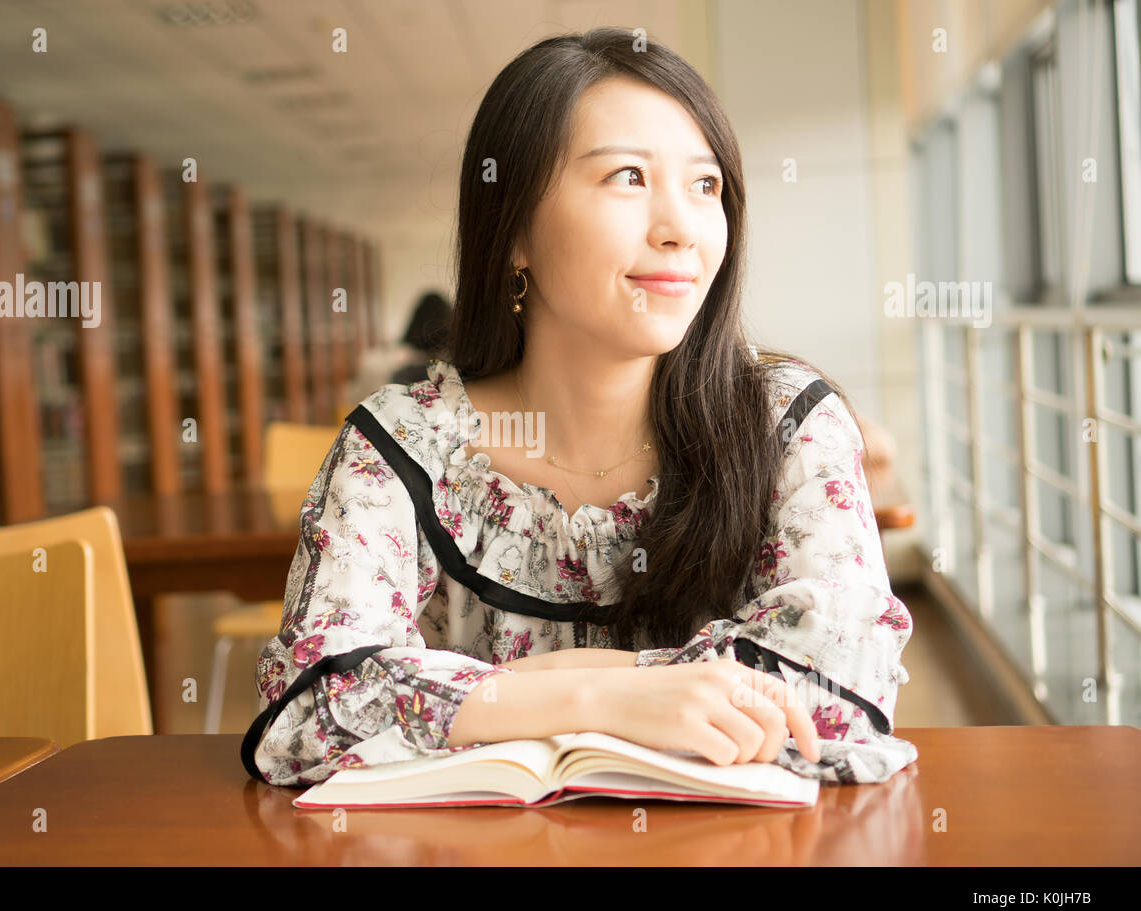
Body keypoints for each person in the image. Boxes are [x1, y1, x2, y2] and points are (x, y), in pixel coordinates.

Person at [246, 28, 917, 788]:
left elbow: (838, 693)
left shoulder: (787, 425)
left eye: (706, 186)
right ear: (515, 232)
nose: (681, 229)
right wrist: (606, 694)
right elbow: (310, 712)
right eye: (628, 177)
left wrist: (504, 695)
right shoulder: (404, 444)